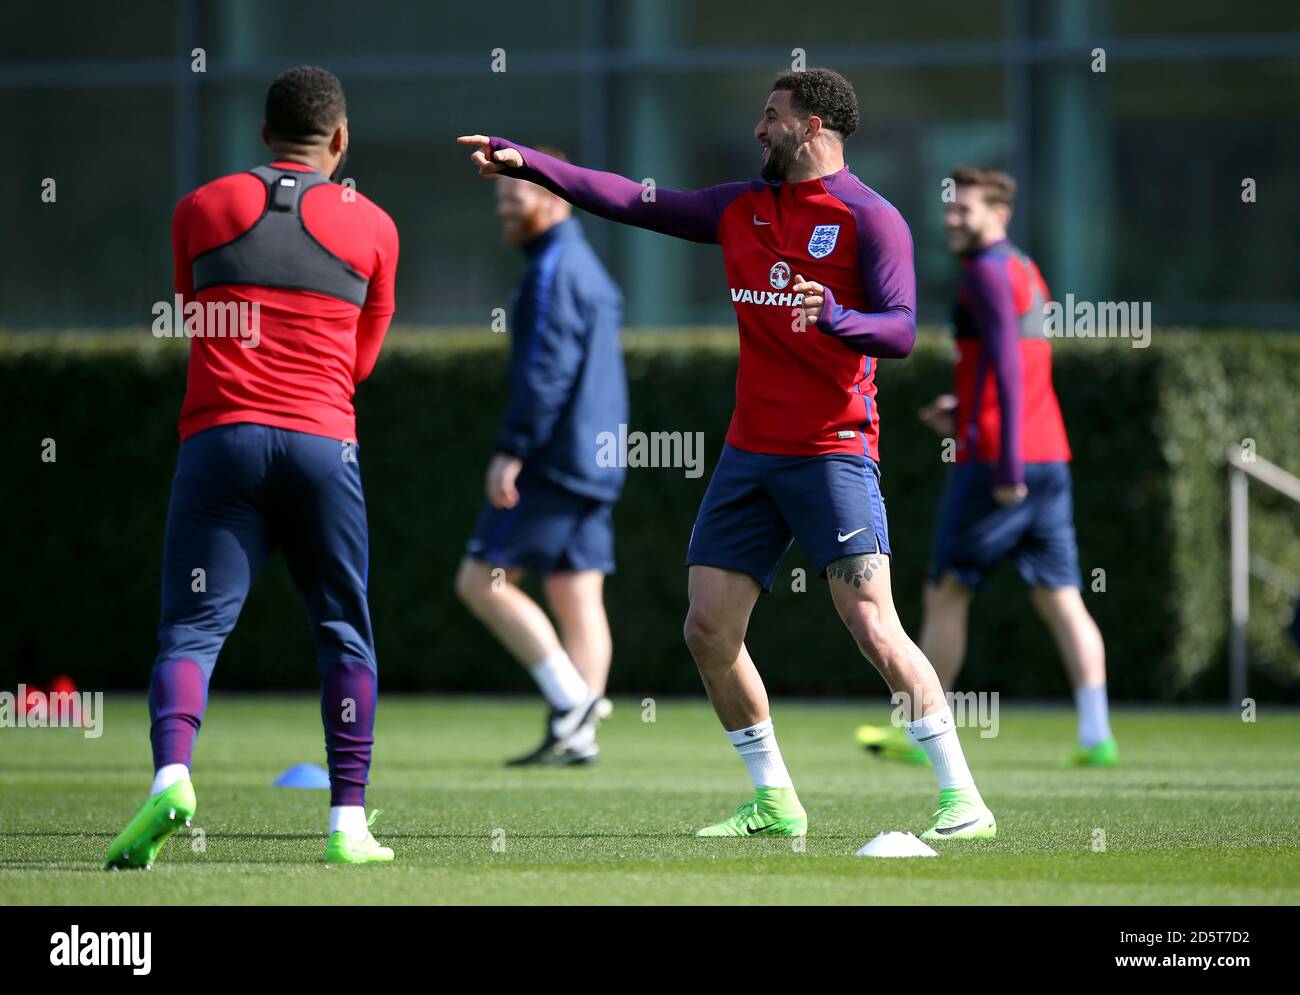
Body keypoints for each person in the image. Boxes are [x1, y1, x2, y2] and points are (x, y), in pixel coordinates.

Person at [457, 68, 996, 841]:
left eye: (771, 116)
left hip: (832, 451)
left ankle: (962, 798)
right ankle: (774, 800)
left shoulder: (871, 219)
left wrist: (839, 315)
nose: (757, 129)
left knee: (872, 622)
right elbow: (625, 198)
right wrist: (528, 161)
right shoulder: (739, 208)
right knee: (708, 629)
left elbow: (904, 331)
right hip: (749, 454)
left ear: (812, 127)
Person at [105, 66, 399, 868]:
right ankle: (347, 824)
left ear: (263, 136)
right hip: (321, 445)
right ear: (340, 139)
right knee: (342, 627)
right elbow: (360, 364)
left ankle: (172, 775)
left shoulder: (199, 207)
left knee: (191, 630)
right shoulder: (374, 224)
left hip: (219, 441)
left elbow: (194, 319)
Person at [856, 167, 1116, 768]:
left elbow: (1003, 363)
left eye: (965, 210)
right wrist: (967, 407)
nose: (952, 219)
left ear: (999, 214)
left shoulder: (989, 274)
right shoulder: (1024, 268)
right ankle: (1096, 736)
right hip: (1049, 455)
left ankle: (921, 730)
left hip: (1001, 461)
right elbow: (1018, 370)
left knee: (945, 591)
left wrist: (1004, 464)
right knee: (1062, 597)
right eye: (949, 209)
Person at [454, 149, 624, 765]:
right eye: (500, 195)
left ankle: (570, 700)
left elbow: (546, 372)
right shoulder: (586, 266)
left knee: (481, 580)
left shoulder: (556, 270)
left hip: (556, 459)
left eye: (515, 195)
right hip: (597, 459)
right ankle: (579, 737)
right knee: (577, 593)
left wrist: (513, 450)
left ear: (553, 199)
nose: (504, 205)